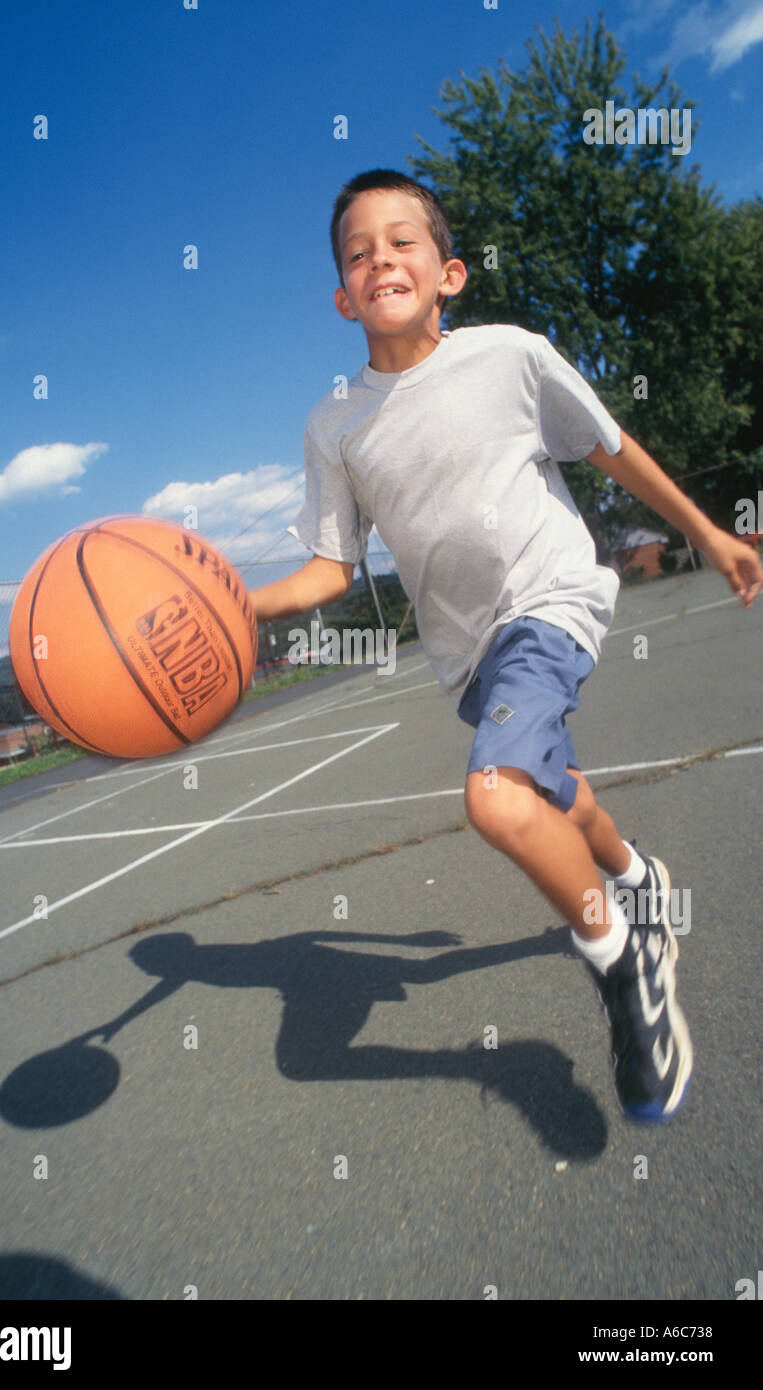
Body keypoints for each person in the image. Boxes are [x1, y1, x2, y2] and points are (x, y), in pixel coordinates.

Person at [248, 168, 761, 1122]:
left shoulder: (510, 358)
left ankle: (622, 956)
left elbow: (610, 445)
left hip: (551, 599)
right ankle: (636, 877)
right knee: (551, 787)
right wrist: (240, 608)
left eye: (400, 243)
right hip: (467, 654)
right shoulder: (335, 427)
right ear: (339, 295)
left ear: (449, 274)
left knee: (495, 798)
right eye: (357, 254)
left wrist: (708, 530)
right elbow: (328, 570)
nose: (378, 261)